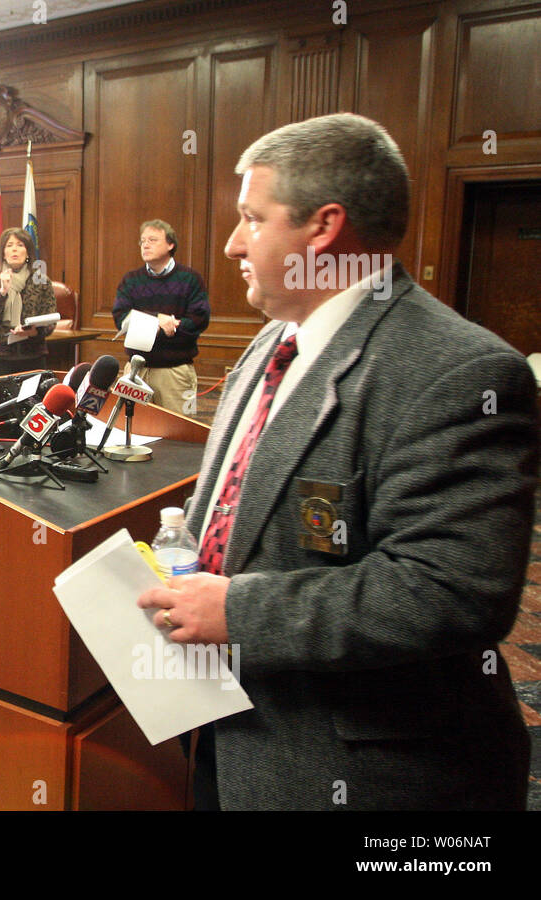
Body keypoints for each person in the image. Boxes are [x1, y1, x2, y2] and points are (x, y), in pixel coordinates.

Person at [136, 113, 538, 810]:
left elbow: (451, 591)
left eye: (252, 220)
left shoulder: (460, 371)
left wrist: (239, 611)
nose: (232, 244)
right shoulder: (269, 345)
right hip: (232, 739)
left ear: (323, 229)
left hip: (368, 774)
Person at [111, 219, 210, 415]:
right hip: (137, 370)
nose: (145, 245)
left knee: (180, 434)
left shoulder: (190, 279)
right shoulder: (131, 280)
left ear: (170, 244)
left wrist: (168, 328)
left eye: (153, 240)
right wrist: (157, 321)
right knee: (133, 431)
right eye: (142, 241)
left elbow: (198, 320)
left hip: (174, 372)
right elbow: (121, 319)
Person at [0, 227, 58, 377]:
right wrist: (2, 293)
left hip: (33, 356)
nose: (14, 250)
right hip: (0, 357)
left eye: (20, 245)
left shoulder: (41, 282)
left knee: (32, 400)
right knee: (0, 400)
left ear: (28, 253)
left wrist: (35, 332)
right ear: (3, 253)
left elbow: (50, 320)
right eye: (9, 245)